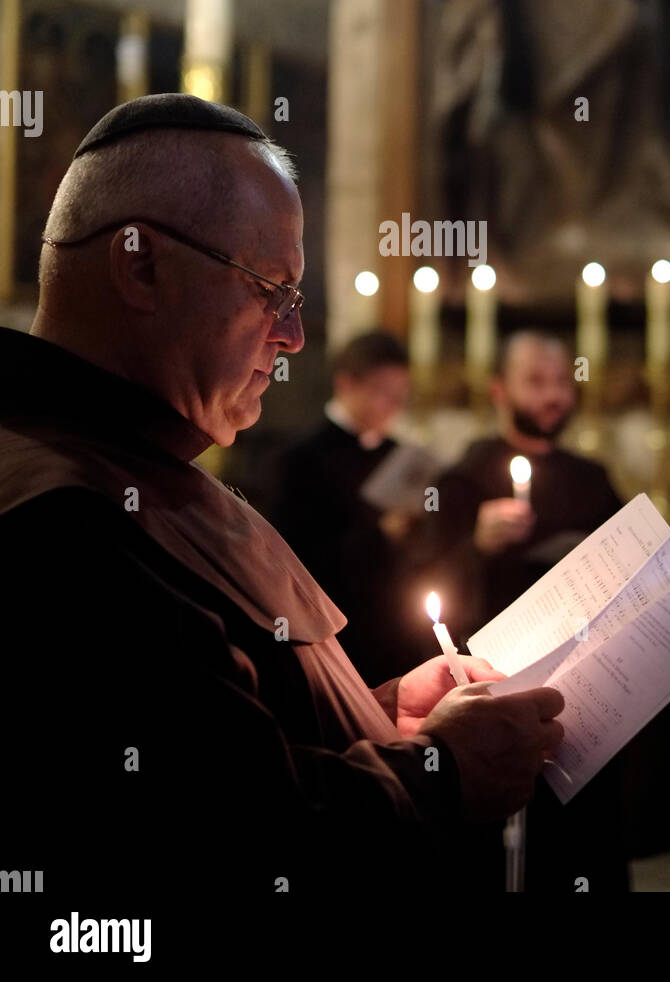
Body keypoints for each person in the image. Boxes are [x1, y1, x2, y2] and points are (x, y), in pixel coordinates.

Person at [0, 94, 564, 925]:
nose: (294, 336)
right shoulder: (61, 517)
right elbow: (222, 846)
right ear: (141, 264)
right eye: (272, 290)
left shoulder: (140, 463)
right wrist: (443, 770)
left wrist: (382, 714)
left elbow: (225, 744)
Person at [421, 331, 630, 892]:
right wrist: (477, 547)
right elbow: (424, 595)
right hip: (496, 697)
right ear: (499, 389)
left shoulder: (593, 480)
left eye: (563, 381)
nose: (554, 395)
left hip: (585, 698)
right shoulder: (460, 481)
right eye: (536, 382)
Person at [275, 331, 427, 684]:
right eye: (382, 391)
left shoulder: (397, 453)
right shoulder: (301, 458)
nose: (392, 404)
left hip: (393, 626)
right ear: (346, 384)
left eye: (399, 394)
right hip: (336, 630)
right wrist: (378, 534)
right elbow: (295, 557)